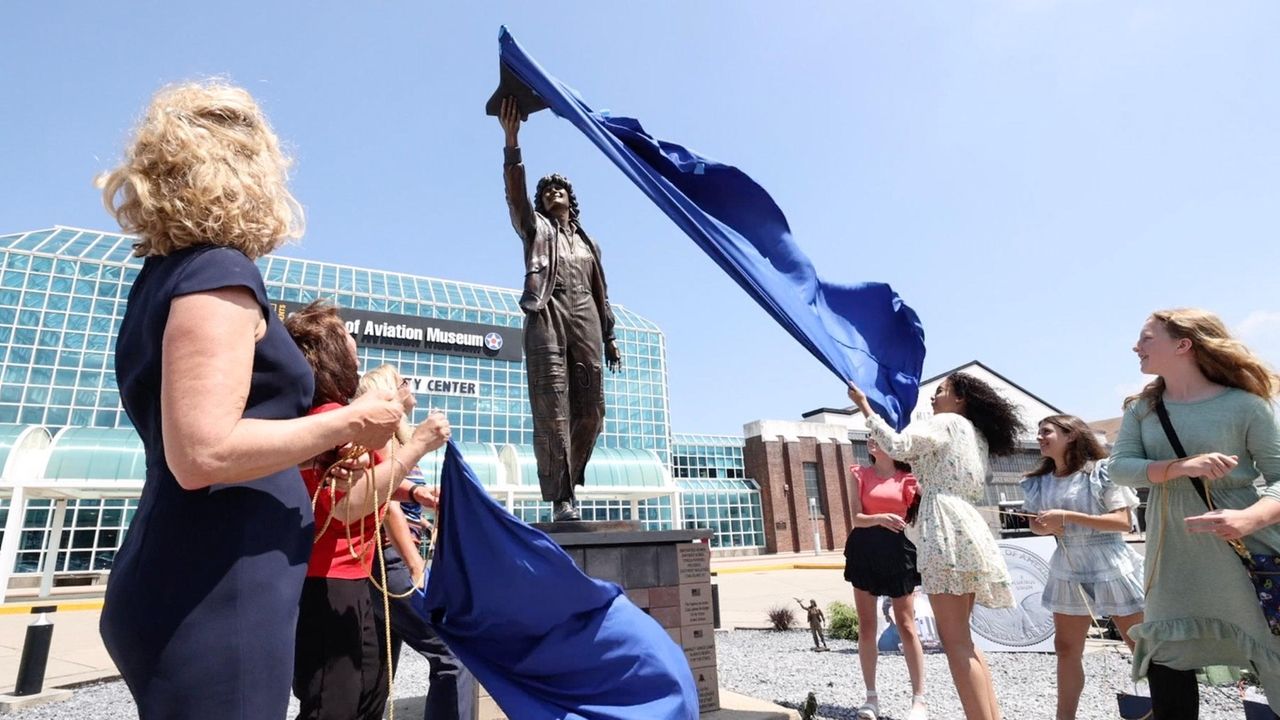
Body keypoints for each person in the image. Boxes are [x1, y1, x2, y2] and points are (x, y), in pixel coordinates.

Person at [98, 81, 406, 719]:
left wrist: (320, 446)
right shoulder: (220, 272)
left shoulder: (171, 276)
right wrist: (353, 419)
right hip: (219, 584)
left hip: (204, 573)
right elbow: (204, 453)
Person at [1110, 309, 1280, 719]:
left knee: (1270, 648)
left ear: (1183, 344)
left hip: (1243, 548)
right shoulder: (1142, 409)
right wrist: (1181, 466)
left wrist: (1250, 518)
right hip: (1172, 551)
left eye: (1147, 338)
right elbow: (1119, 468)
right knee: (1167, 653)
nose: (1135, 346)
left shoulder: (1247, 405)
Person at [285, 305, 451, 720]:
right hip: (330, 579)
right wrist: (419, 445)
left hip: (351, 576)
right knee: (335, 701)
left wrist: (414, 491)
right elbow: (347, 505)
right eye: (346, 337)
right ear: (332, 353)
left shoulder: (331, 416)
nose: (355, 345)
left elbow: (374, 480)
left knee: (367, 690)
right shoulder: (330, 418)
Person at [848, 372, 1026, 720]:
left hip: (944, 525)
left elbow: (897, 446)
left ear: (960, 398)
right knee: (965, 641)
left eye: (941, 390)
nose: (933, 397)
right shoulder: (975, 434)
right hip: (967, 522)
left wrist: (865, 407)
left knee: (955, 643)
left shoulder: (946, 422)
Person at [498, 96, 622, 521]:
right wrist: (512, 144)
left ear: (571, 197)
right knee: (552, 408)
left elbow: (602, 292)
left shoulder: (590, 243)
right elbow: (516, 198)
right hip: (547, 312)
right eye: (547, 190)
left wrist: (610, 335)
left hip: (586, 315)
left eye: (560, 188)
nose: (554, 192)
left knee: (591, 409)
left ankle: (573, 479)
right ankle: (560, 498)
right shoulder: (536, 229)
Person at [359, 364, 477, 720]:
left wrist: (421, 516)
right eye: (403, 381)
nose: (409, 385)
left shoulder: (396, 440)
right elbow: (388, 506)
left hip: (382, 558)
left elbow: (398, 501)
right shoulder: (384, 439)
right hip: (389, 558)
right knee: (453, 653)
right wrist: (415, 566)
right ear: (388, 392)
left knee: (376, 673)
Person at [1021, 414, 1145, 720]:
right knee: (1065, 647)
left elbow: (1123, 522)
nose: (1039, 437)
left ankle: (1166, 709)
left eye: (1046, 432)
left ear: (1071, 435)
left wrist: (1067, 517)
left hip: (1110, 562)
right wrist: (1043, 526)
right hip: (1068, 564)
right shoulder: (1038, 481)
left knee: (1141, 646)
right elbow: (1035, 525)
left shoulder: (1101, 472)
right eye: (1039, 432)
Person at [845, 437, 927, 720]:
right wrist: (879, 518)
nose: (872, 441)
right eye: (870, 436)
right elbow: (856, 518)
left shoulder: (908, 479)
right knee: (867, 626)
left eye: (879, 436)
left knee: (906, 625)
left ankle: (919, 700)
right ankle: (871, 698)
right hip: (863, 550)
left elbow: (926, 509)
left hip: (898, 551)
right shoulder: (859, 474)